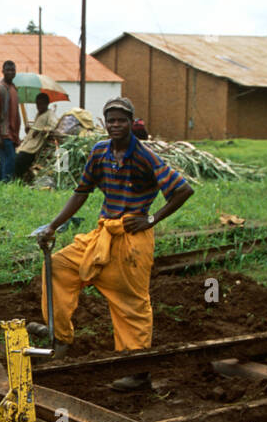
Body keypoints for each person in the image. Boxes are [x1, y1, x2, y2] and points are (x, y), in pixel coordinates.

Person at [30, 97, 194, 390]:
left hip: (132, 240)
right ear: (105, 123)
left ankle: (138, 371)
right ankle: (60, 335)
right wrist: (53, 226)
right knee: (58, 267)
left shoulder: (145, 156)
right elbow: (82, 192)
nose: (116, 125)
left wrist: (151, 219)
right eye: (111, 120)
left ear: (131, 123)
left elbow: (182, 190)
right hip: (103, 234)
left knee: (130, 303)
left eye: (122, 120)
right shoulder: (100, 151)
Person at [14, 92, 61, 179]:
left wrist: (45, 130)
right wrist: (29, 130)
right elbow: (35, 128)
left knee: (19, 160)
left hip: (34, 147)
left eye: (41, 104)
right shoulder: (39, 114)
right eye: (37, 104)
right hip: (28, 143)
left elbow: (53, 126)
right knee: (14, 156)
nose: (39, 106)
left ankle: (18, 179)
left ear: (47, 103)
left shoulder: (49, 114)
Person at [0, 60, 21, 181]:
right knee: (10, 160)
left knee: (4, 160)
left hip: (12, 133)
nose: (10, 72)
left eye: (13, 70)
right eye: (8, 70)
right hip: (3, 133)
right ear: (3, 72)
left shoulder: (14, 89)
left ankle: (1, 184)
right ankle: (6, 184)